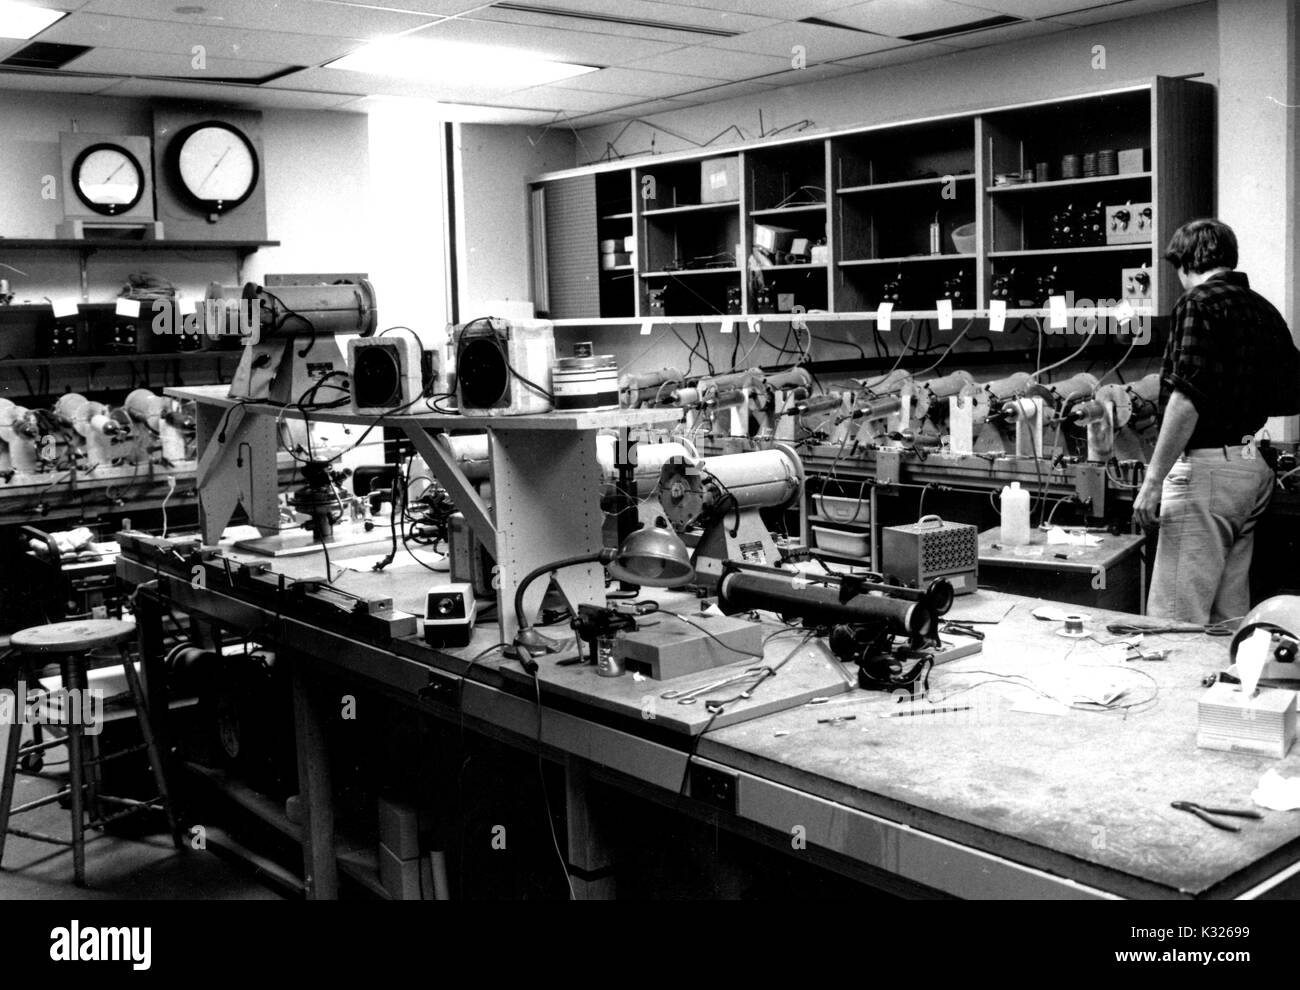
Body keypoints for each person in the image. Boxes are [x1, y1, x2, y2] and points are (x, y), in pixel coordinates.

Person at [1134, 218, 1300, 625]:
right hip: (1250, 468)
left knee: (1175, 620)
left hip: (1206, 472)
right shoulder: (1263, 309)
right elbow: (1292, 394)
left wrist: (1153, 481)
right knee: (1227, 619)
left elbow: (1185, 399)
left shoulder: (1198, 303)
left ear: (1185, 262)